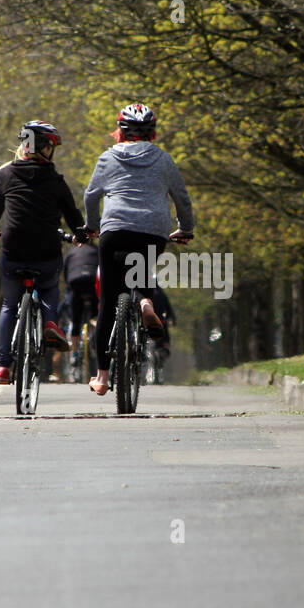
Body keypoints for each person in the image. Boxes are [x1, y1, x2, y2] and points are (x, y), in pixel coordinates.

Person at [83, 103, 194, 396]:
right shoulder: (164, 159)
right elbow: (181, 197)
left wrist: (91, 226)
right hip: (153, 228)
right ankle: (146, 302)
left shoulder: (107, 157)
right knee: (143, 270)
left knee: (108, 302)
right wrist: (185, 229)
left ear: (119, 132)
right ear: (153, 134)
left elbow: (91, 195)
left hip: (115, 228)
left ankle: (103, 376)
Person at [0, 119, 86, 385]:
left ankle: (3, 366)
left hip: (13, 249)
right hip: (46, 249)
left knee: (8, 304)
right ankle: (50, 324)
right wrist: (82, 234)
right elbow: (73, 215)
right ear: (47, 148)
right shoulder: (56, 180)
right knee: (49, 288)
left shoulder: (5, 174)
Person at [62, 237, 99, 353]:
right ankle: (98, 331)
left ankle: (75, 351)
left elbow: (66, 273)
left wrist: (69, 287)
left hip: (76, 282)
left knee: (76, 320)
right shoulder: (97, 250)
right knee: (96, 314)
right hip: (93, 282)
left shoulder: (71, 252)